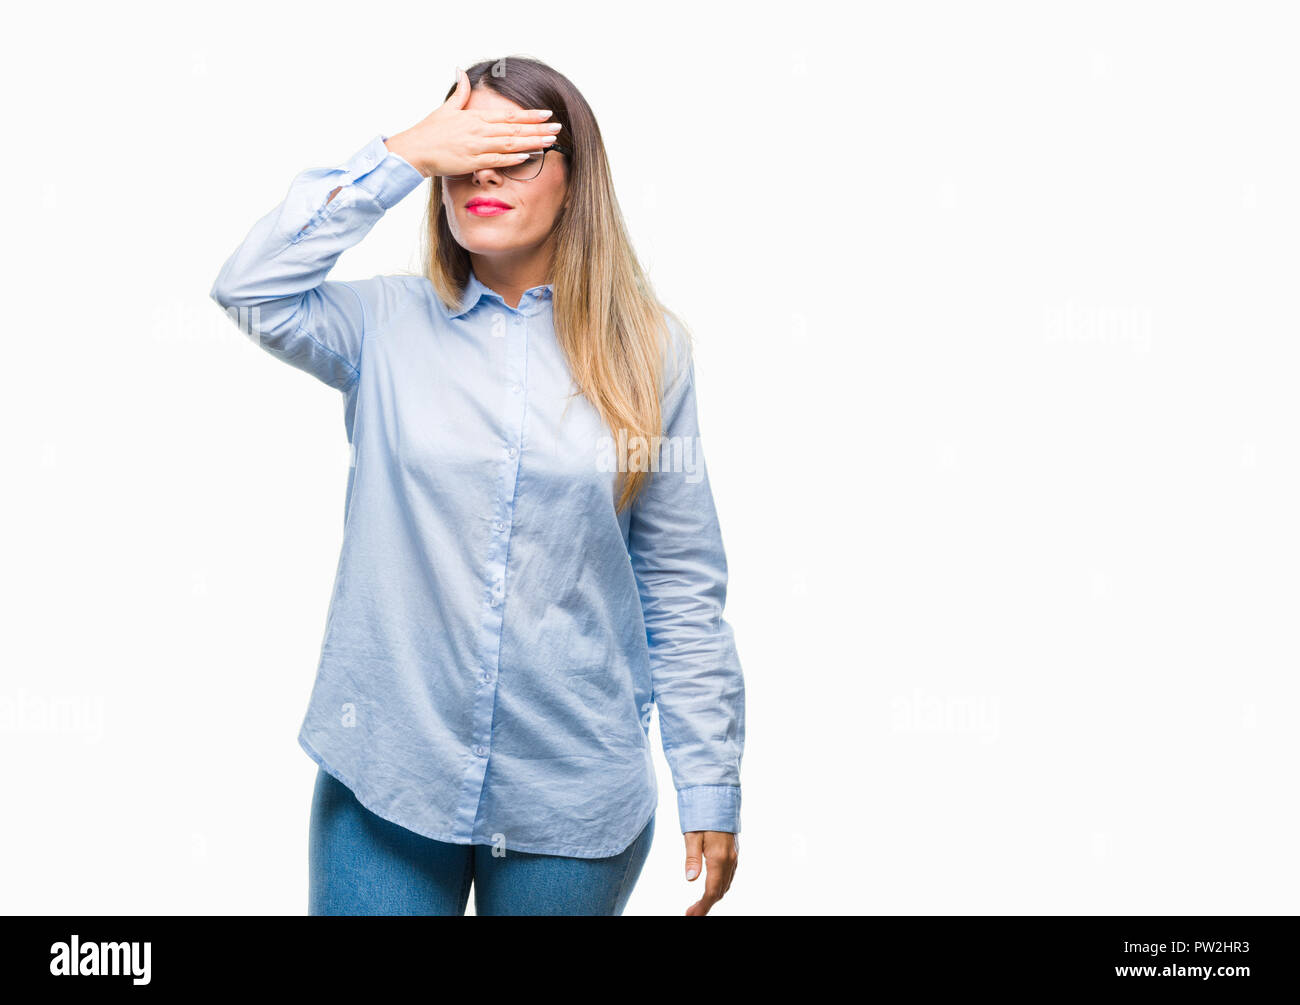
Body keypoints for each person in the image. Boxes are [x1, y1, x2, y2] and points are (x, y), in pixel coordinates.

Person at [209, 56, 745, 916]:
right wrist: (401, 154)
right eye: (466, 150)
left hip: (571, 796)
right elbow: (247, 287)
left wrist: (709, 781)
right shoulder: (378, 325)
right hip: (387, 776)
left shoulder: (650, 352)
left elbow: (680, 583)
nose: (483, 171)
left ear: (575, 182)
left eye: (518, 149)